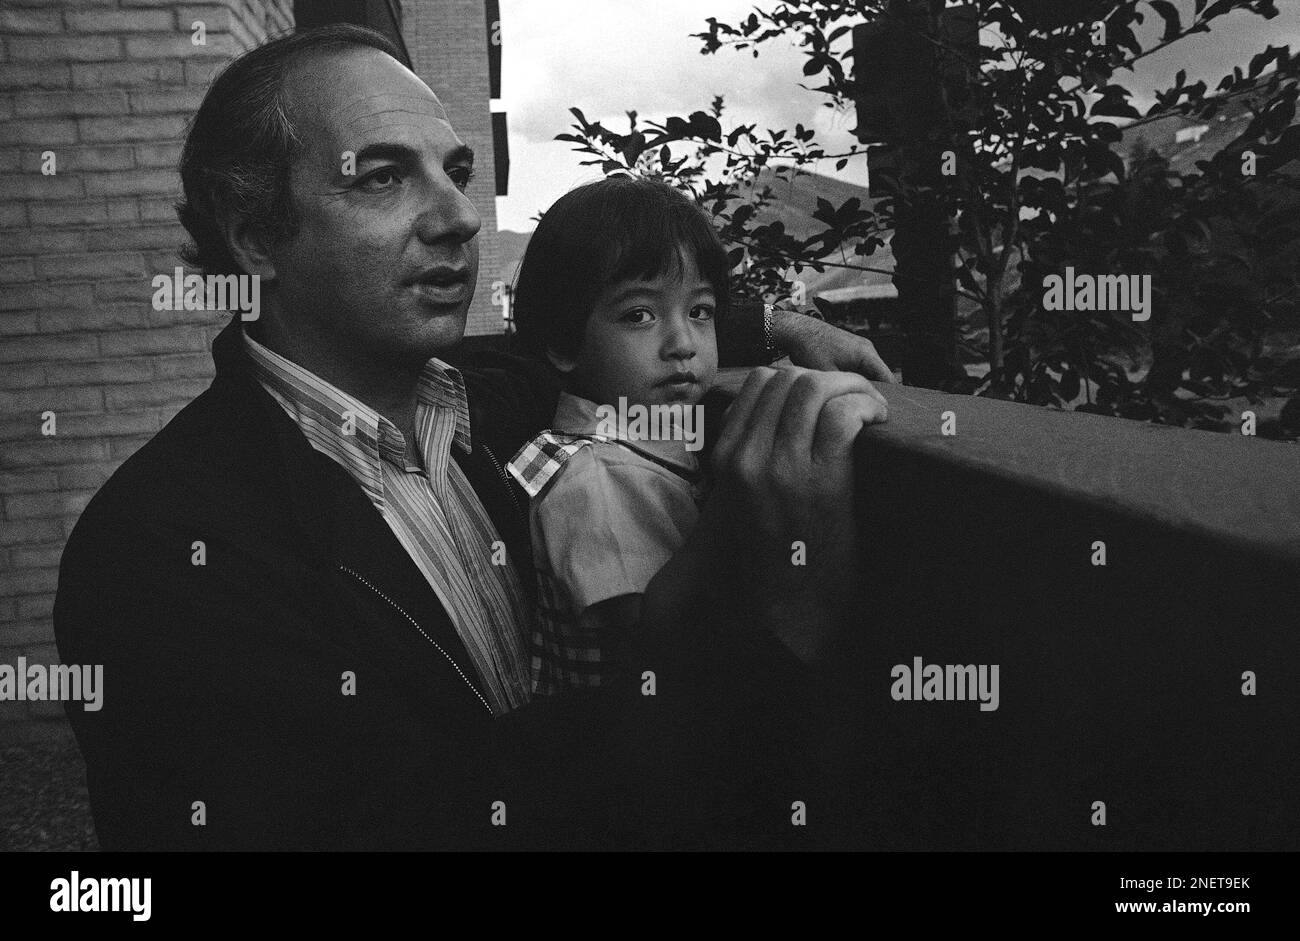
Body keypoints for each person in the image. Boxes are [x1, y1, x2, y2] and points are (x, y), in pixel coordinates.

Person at [53, 24, 891, 850]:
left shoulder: (482, 406)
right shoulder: (164, 554)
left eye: (455, 172)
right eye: (383, 177)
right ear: (255, 237)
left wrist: (770, 323)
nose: (458, 215)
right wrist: (770, 632)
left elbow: (594, 341)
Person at [506, 175, 727, 695]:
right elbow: (653, 630)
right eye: (639, 315)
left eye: (700, 311)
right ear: (564, 343)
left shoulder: (653, 444)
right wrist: (738, 504)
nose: (682, 344)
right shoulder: (597, 478)